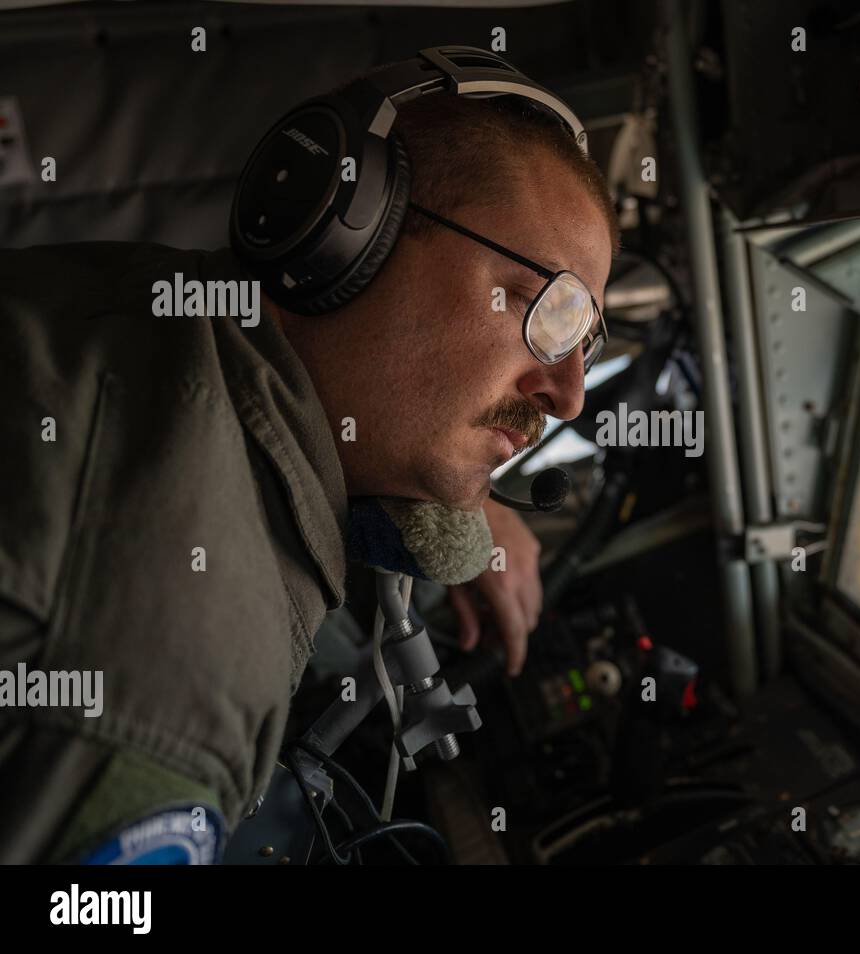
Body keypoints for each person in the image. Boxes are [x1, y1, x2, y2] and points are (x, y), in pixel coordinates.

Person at [0, 60, 620, 863]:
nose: (569, 394)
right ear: (346, 235)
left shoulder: (143, 309)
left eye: (584, 339)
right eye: (546, 309)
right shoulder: (182, 678)